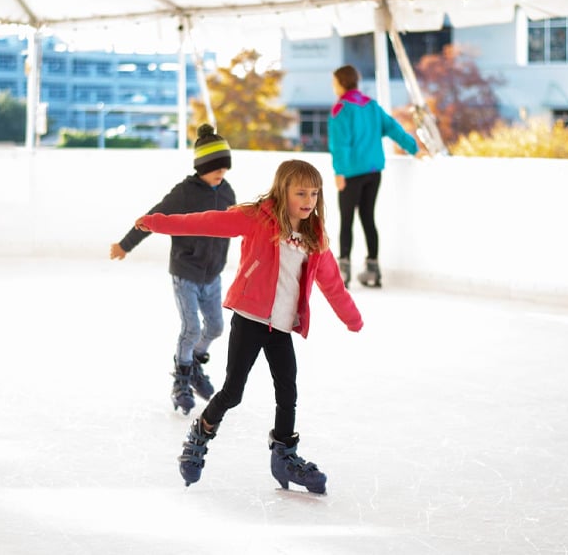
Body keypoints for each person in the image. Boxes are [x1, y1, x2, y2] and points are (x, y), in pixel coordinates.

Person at [136, 159, 363, 494]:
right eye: (300, 192)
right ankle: (201, 432)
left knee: (288, 391)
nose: (309, 200)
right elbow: (206, 222)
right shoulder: (258, 218)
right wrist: (158, 223)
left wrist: (351, 317)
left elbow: (333, 284)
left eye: (314, 193)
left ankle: (285, 454)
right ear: (283, 190)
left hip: (281, 328)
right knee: (232, 392)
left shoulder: (315, 238)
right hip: (250, 319)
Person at [111, 124, 236, 415]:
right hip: (186, 272)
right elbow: (153, 217)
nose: (221, 173)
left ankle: (193, 365)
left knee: (216, 327)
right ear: (201, 167)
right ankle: (182, 378)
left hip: (213, 274)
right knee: (191, 327)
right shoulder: (184, 193)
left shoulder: (228, 191)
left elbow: (239, 222)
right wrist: (125, 244)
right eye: (214, 167)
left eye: (224, 167)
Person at [328, 64, 424, 288]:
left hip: (351, 173)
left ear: (342, 83)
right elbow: (394, 128)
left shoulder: (341, 109)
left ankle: (343, 270)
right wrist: (414, 149)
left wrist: (339, 172)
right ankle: (373, 270)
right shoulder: (371, 106)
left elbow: (339, 145)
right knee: (368, 219)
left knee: (347, 220)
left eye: (334, 83)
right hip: (373, 172)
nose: (333, 87)